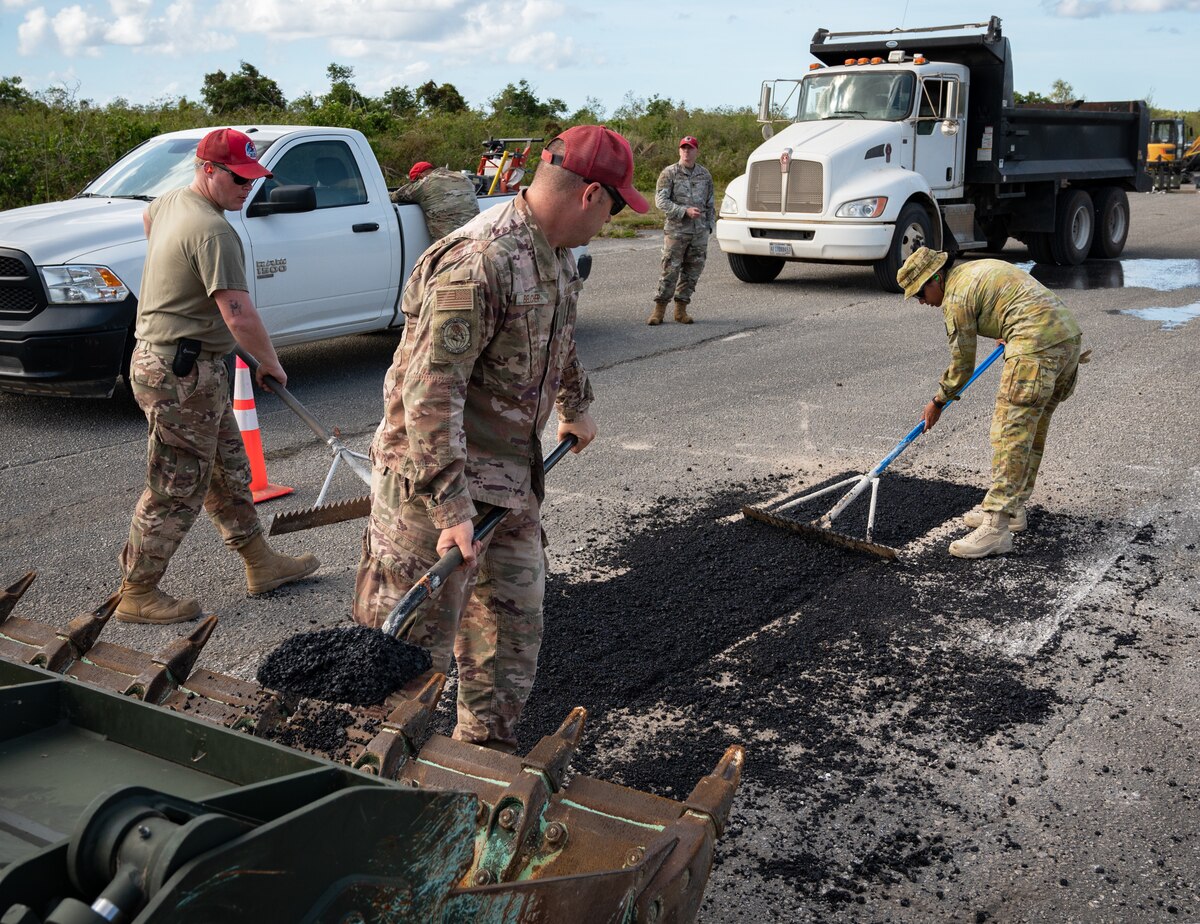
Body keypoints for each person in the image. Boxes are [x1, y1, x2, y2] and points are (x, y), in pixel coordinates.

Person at [353, 125, 648, 752]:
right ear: (591, 195)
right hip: (432, 492)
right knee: (404, 665)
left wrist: (575, 405)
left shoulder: (556, 254)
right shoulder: (480, 260)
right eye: (616, 208)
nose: (611, 222)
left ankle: (479, 765)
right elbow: (429, 395)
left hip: (509, 484)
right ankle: (377, 777)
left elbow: (559, 336)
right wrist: (451, 508)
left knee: (508, 641)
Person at [117, 128, 319, 624]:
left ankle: (260, 562)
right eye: (239, 179)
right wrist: (270, 362)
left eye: (253, 179)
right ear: (208, 169)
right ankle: (136, 592)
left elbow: (149, 221)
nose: (248, 188)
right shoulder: (213, 231)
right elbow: (238, 314)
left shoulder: (171, 203)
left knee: (228, 467)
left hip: (184, 365)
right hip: (179, 372)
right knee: (176, 483)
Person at [898, 246, 1086, 560]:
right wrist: (1006, 329)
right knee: (1030, 431)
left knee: (1009, 434)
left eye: (919, 293)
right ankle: (1013, 511)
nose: (920, 301)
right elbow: (1014, 301)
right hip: (1066, 339)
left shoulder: (956, 298)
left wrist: (938, 401)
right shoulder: (974, 270)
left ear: (935, 278)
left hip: (1036, 346)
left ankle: (996, 527)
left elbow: (962, 365)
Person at [650, 135, 716, 325]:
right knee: (670, 271)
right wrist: (683, 211)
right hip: (676, 231)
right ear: (679, 151)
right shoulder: (669, 173)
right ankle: (659, 311)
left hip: (699, 232)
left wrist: (709, 226)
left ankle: (681, 310)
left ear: (697, 151)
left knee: (692, 272)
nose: (687, 151)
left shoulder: (704, 175)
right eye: (683, 148)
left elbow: (710, 203)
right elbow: (660, 201)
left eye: (690, 148)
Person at [390, 161, 481, 242]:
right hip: (477, 239)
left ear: (420, 176)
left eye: (415, 182)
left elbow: (394, 196)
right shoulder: (463, 177)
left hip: (451, 246)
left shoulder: (424, 183)